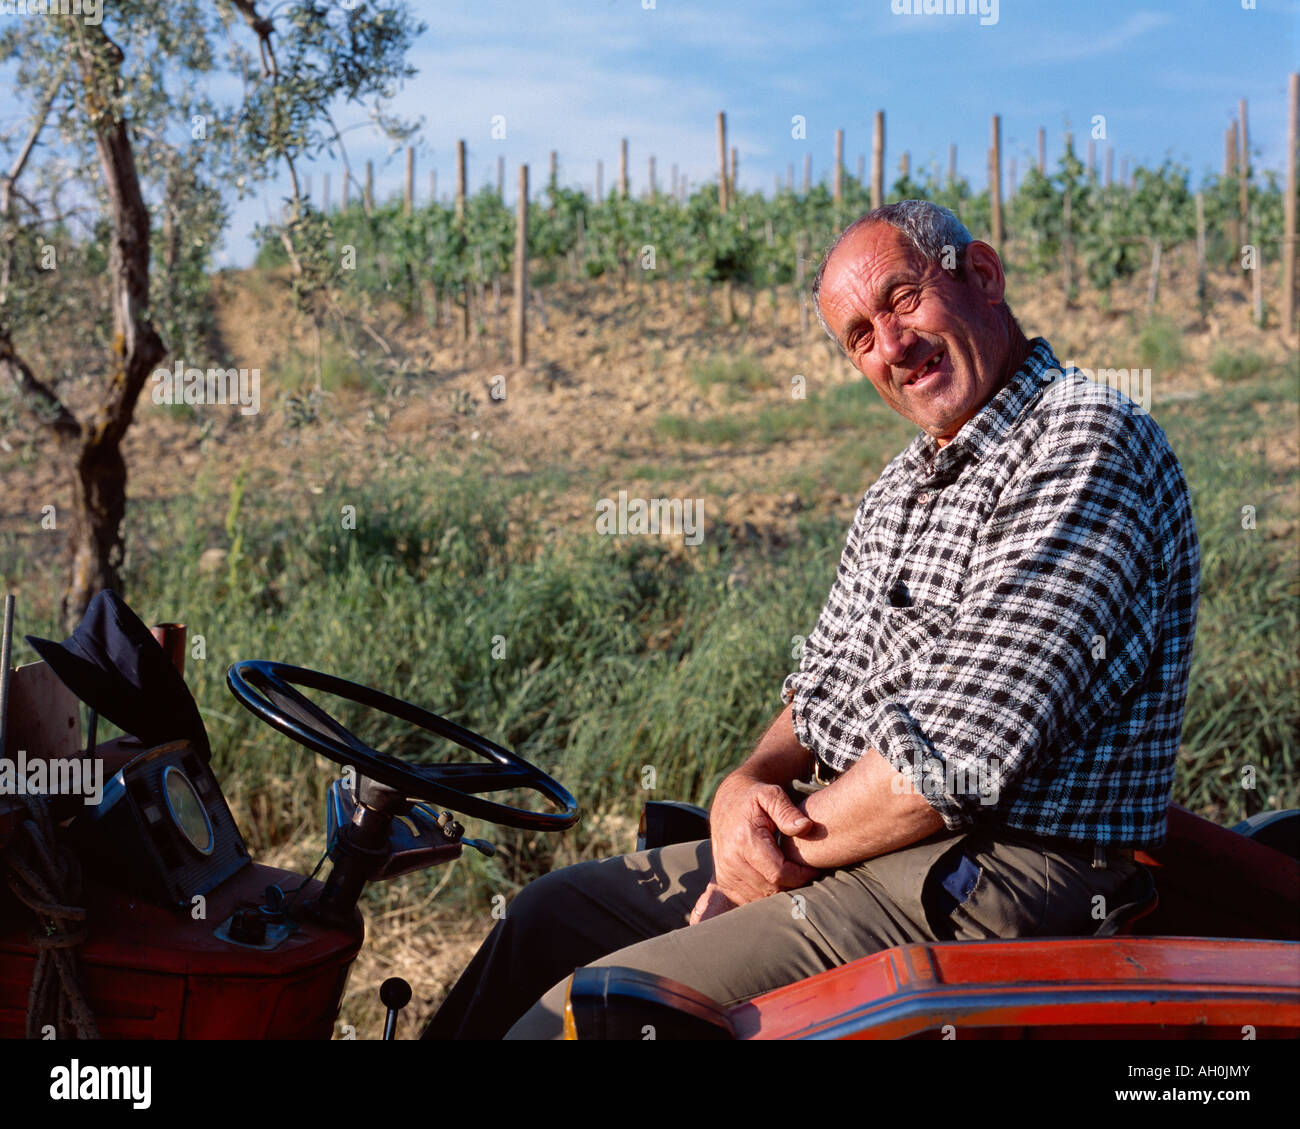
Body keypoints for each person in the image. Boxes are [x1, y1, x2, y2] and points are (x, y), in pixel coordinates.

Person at [421, 200, 1201, 1041]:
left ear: (982, 275)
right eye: (861, 336)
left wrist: (771, 859)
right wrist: (744, 785)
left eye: (903, 299)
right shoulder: (901, 486)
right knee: (544, 916)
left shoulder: (1083, 443)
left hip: (993, 877)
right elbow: (824, 683)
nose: (892, 345)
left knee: (589, 1011)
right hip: (855, 840)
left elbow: (952, 761)